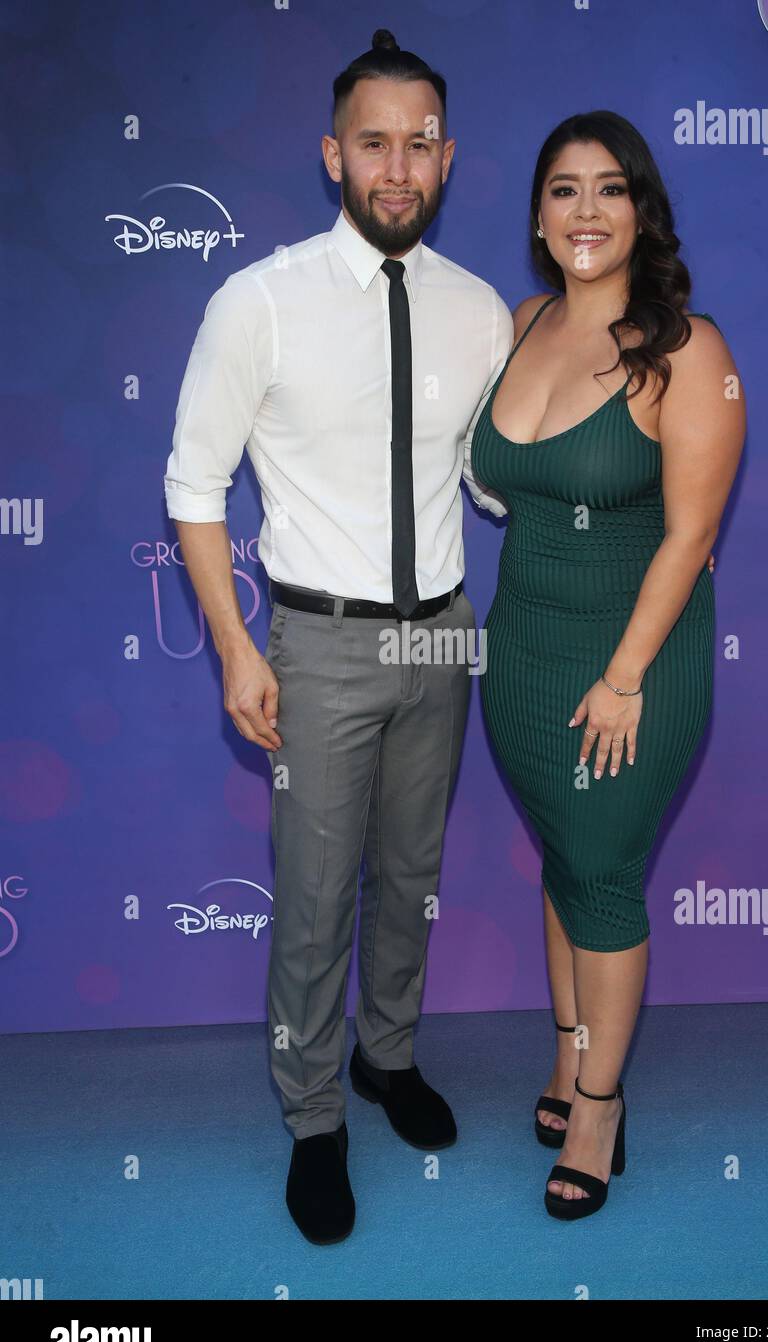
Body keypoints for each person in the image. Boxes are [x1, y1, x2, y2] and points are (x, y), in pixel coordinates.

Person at [163, 29, 511, 1244]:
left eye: (420, 142)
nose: (397, 165)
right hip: (313, 645)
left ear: (448, 157)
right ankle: (313, 1115)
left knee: (408, 880)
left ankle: (386, 1058)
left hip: (440, 641)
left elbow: (491, 479)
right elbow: (192, 489)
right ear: (333, 155)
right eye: (374, 141)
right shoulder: (256, 300)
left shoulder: (480, 313)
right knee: (314, 899)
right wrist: (235, 648)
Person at [465, 111, 745, 1220]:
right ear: (537, 216)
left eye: (609, 189)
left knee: (604, 875)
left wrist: (624, 675)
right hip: (524, 650)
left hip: (633, 662)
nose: (586, 210)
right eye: (563, 190)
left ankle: (596, 1105)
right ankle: (565, 1049)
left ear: (641, 212)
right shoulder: (526, 321)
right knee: (564, 862)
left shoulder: (687, 348)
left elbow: (688, 533)